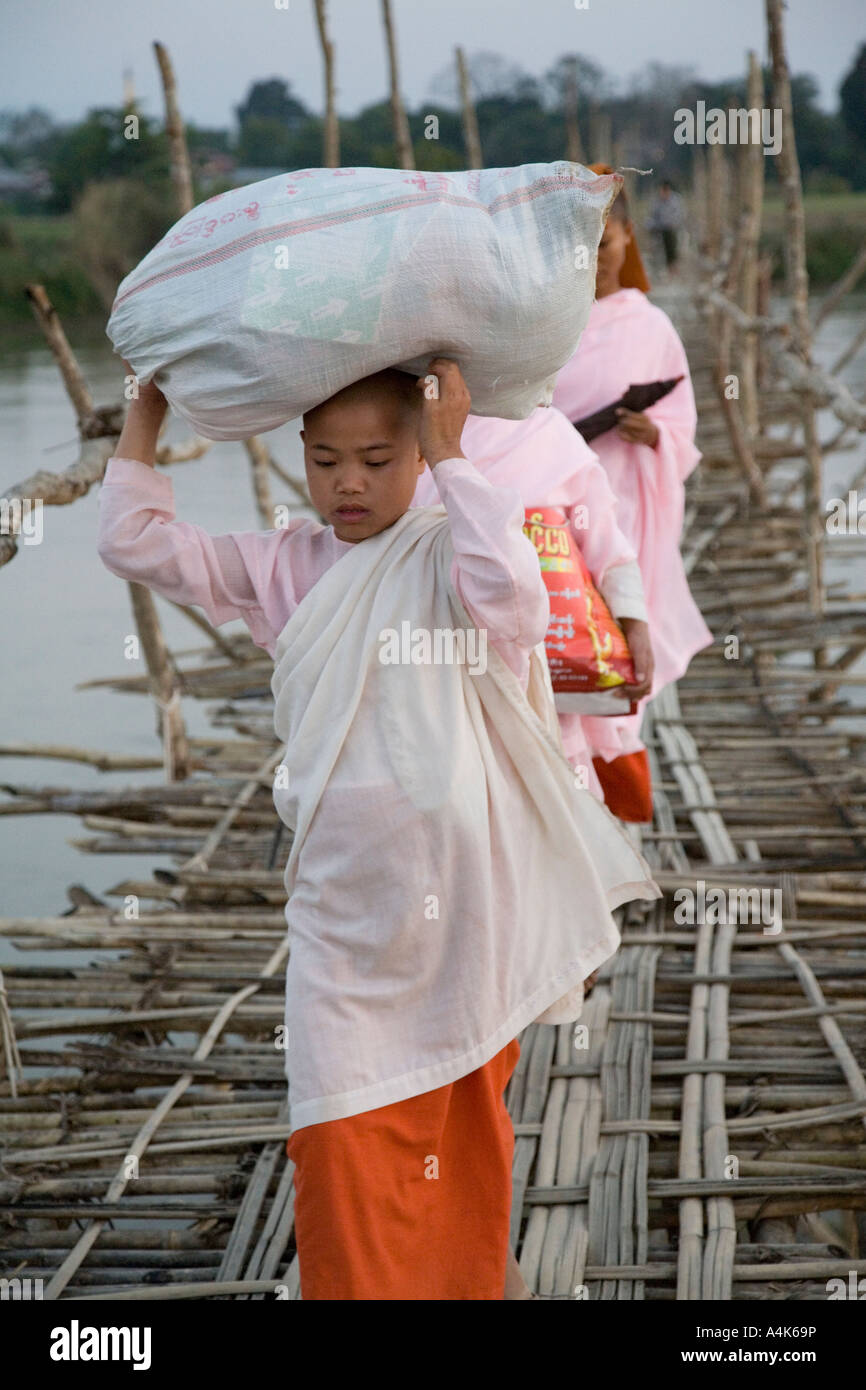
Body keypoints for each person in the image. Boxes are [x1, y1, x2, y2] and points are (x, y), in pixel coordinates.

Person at [97, 357, 659, 1300]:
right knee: (339, 1137)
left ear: (420, 458)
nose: (347, 484)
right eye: (323, 462)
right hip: (342, 922)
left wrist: (453, 455)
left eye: (376, 458)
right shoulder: (286, 568)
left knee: (454, 1135)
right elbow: (135, 543)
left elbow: (516, 600)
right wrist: (145, 415)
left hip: (461, 917)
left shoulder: (454, 548)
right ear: (300, 462)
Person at [552, 169, 713, 822]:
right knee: (559, 641)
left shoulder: (651, 327)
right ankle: (567, 793)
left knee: (620, 646)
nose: (595, 260)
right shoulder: (538, 329)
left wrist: (654, 436)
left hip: (627, 508)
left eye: (605, 241)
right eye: (579, 246)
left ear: (626, 237)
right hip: (552, 514)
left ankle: (617, 801)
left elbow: (684, 431)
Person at [646, 178, 685, 274]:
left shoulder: (676, 200)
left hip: (672, 229)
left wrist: (672, 223)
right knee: (655, 244)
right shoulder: (656, 201)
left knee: (671, 245)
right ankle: (657, 268)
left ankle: (672, 268)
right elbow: (652, 216)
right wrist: (650, 226)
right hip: (659, 229)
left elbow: (680, 215)